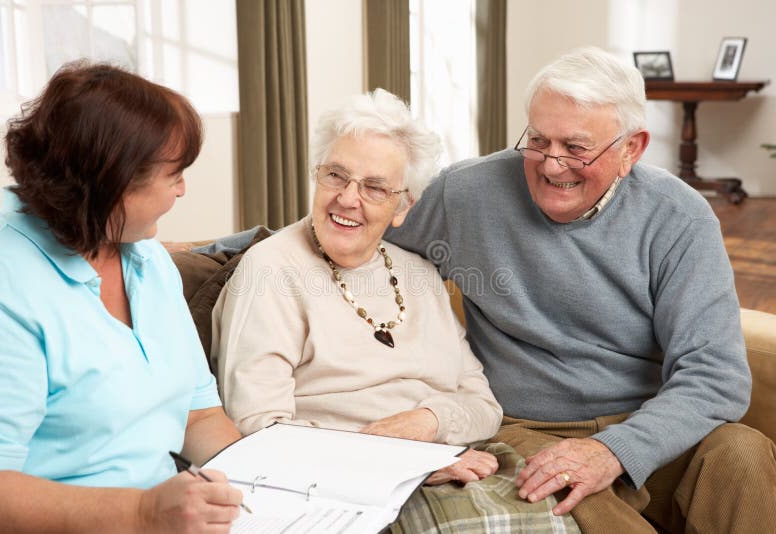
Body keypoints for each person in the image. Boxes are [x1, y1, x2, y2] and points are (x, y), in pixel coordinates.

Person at [384, 47, 776, 532]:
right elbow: (354, 232)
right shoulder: (466, 193)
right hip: (523, 429)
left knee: (742, 454)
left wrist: (615, 450)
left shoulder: (680, 218)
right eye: (538, 140)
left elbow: (716, 376)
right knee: (563, 485)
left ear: (631, 149)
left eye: (575, 148)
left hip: (650, 423)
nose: (551, 165)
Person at [211, 89, 579, 533]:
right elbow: (258, 430)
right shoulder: (270, 271)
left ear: (403, 207)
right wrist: (395, 462)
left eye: (374, 187)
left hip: (447, 460)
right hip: (338, 486)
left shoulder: (420, 274)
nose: (348, 198)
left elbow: (484, 406)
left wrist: (429, 423)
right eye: (336, 176)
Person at [0, 62, 245, 533]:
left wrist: (265, 484)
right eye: (174, 175)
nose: (183, 189)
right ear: (112, 183)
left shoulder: (146, 258)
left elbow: (198, 416)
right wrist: (142, 514)